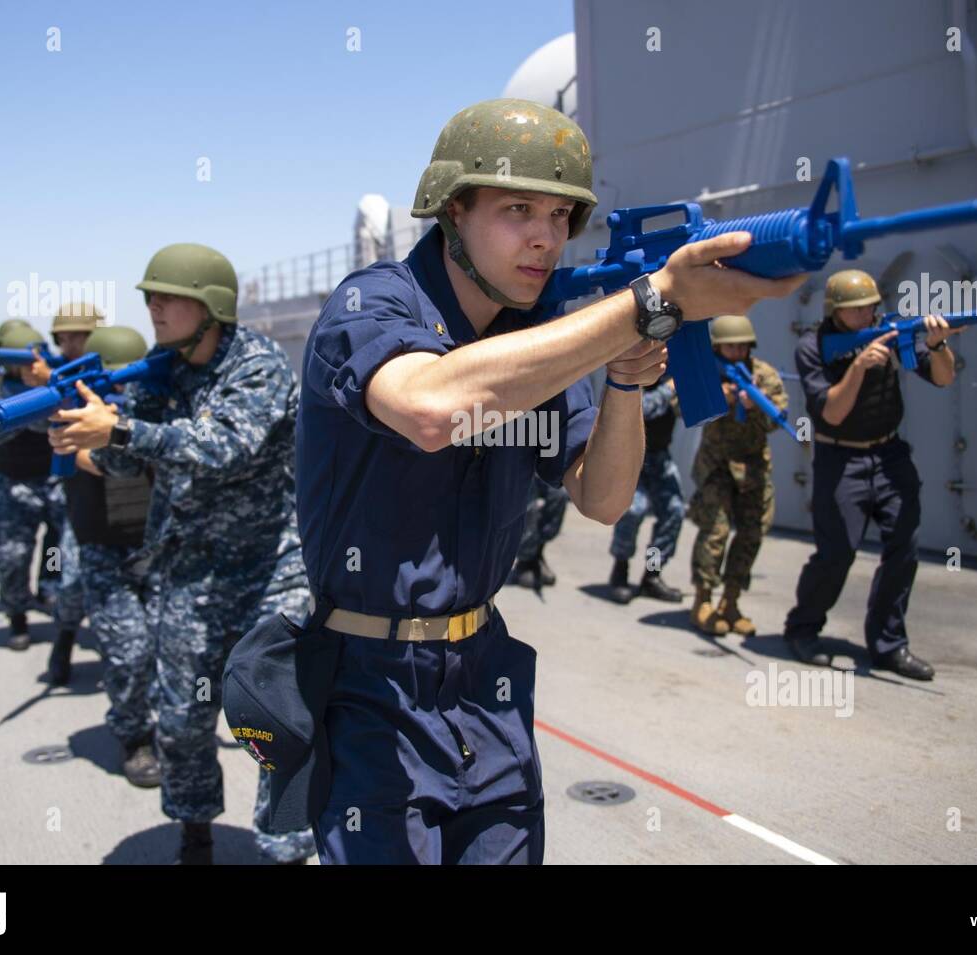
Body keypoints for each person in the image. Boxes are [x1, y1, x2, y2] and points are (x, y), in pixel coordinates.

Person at [289, 98, 804, 864]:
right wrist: (648, 302)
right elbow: (434, 407)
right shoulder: (371, 304)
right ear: (453, 210)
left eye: (562, 216)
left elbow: (601, 498)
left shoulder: (538, 337)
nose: (546, 237)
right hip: (372, 687)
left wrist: (627, 378)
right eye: (517, 209)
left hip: (483, 677)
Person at [49, 243, 315, 864]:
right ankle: (195, 833)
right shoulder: (161, 368)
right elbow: (123, 461)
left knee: (275, 719)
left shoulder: (259, 364)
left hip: (271, 570)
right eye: (149, 296)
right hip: (192, 570)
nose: (153, 307)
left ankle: (287, 847)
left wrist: (119, 429)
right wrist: (89, 425)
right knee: (182, 719)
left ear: (211, 306)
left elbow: (223, 444)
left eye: (168, 297)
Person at [783, 270, 961, 680]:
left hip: (889, 453)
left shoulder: (892, 333)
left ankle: (889, 645)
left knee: (904, 547)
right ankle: (803, 628)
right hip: (840, 459)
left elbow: (943, 377)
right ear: (835, 311)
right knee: (838, 552)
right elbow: (831, 414)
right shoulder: (813, 348)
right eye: (855, 310)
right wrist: (860, 367)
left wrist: (938, 344)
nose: (866, 315)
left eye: (870, 308)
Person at [55, 327, 159, 791]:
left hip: (158, 547)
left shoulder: (158, 410)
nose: (122, 391)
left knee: (171, 652)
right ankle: (135, 735)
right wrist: (121, 436)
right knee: (130, 651)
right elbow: (86, 459)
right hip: (103, 546)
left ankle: (170, 734)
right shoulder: (68, 413)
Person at [687, 315, 786, 635]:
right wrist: (720, 399)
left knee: (751, 534)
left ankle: (730, 601)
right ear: (717, 346)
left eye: (742, 345)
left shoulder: (763, 376)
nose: (736, 350)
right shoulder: (705, 371)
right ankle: (702, 600)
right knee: (714, 533)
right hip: (716, 466)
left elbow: (777, 419)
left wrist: (755, 405)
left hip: (753, 468)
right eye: (730, 346)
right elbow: (681, 406)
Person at [0, 322, 67, 650]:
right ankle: (17, 613)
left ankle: (49, 590)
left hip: (54, 478)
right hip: (12, 480)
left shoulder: (54, 376)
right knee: (10, 555)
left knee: (59, 546)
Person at [26, 302, 102, 684]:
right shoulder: (56, 374)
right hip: (83, 494)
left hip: (132, 496)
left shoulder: (115, 365)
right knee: (71, 581)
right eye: (63, 336)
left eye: (76, 335)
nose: (67, 343)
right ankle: (65, 638)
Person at [608, 372, 684, 604]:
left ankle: (652, 574)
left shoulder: (672, 375)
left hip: (660, 456)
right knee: (633, 511)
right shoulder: (633, 370)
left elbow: (691, 412)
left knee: (673, 512)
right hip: (632, 456)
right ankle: (620, 570)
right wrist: (670, 390)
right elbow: (644, 408)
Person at [509, 478, 568, 589]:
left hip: (543, 466)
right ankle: (525, 561)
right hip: (520, 469)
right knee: (531, 506)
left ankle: (538, 554)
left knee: (560, 494)